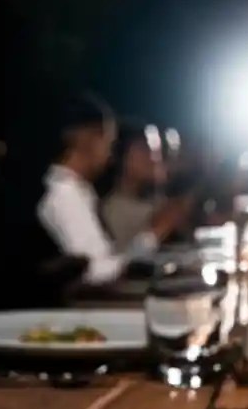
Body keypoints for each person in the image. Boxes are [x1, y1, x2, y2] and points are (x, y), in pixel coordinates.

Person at [37, 94, 189, 285]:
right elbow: (96, 273)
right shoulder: (63, 195)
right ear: (87, 138)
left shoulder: (77, 190)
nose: (110, 153)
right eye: (107, 140)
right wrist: (153, 235)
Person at [101, 122, 165, 249]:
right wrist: (163, 225)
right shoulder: (112, 209)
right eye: (143, 149)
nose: (152, 158)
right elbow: (121, 261)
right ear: (121, 156)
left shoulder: (155, 201)